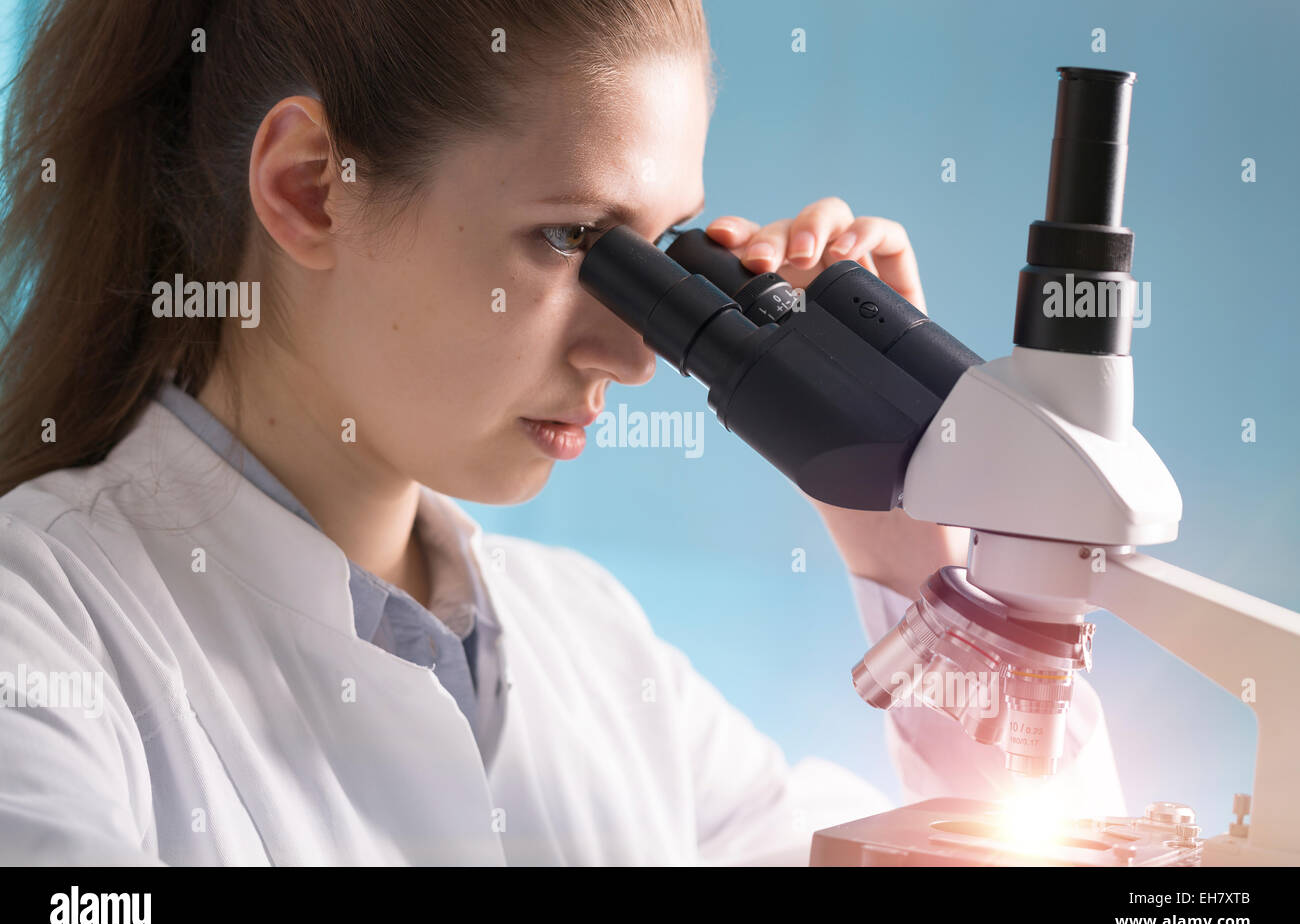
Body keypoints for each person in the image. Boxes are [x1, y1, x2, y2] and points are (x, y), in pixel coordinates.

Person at [0, 0, 1125, 865]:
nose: (634, 352)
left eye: (665, 249)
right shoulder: (38, 635)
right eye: (569, 236)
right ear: (308, 188)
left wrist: (913, 560)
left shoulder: (596, 646)